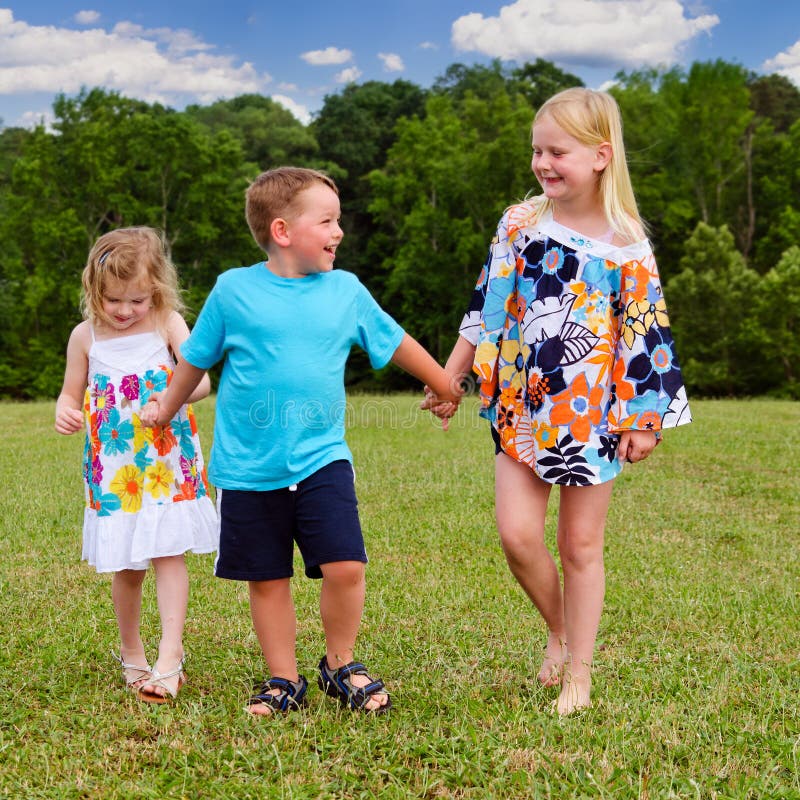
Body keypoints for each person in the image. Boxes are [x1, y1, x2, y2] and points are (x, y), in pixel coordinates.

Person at [140, 167, 461, 716]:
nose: (339, 232)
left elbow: (396, 339)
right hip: (247, 467)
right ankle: (283, 680)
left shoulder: (345, 290)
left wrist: (444, 384)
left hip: (322, 459)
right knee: (267, 578)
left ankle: (340, 665)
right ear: (283, 230)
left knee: (345, 566)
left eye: (339, 220)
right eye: (328, 221)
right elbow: (194, 361)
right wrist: (165, 409)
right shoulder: (234, 289)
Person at [424, 88, 691, 715]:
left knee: (580, 546)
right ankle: (559, 629)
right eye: (537, 151)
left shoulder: (628, 243)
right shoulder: (520, 222)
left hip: (591, 413)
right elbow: (486, 304)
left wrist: (645, 419)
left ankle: (579, 674)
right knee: (517, 536)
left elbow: (645, 332)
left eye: (558, 152)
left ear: (601, 156)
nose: (543, 163)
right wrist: (449, 379)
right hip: (519, 400)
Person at [55, 226, 218, 703]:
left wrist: (168, 398)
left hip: (166, 458)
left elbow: (202, 383)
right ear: (93, 290)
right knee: (127, 564)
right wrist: (65, 410)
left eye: (137, 301)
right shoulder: (84, 338)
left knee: (168, 552)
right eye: (113, 301)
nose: (125, 311)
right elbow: (71, 392)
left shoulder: (167, 323)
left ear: (157, 292)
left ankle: (171, 656)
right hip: (115, 471)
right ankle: (132, 652)